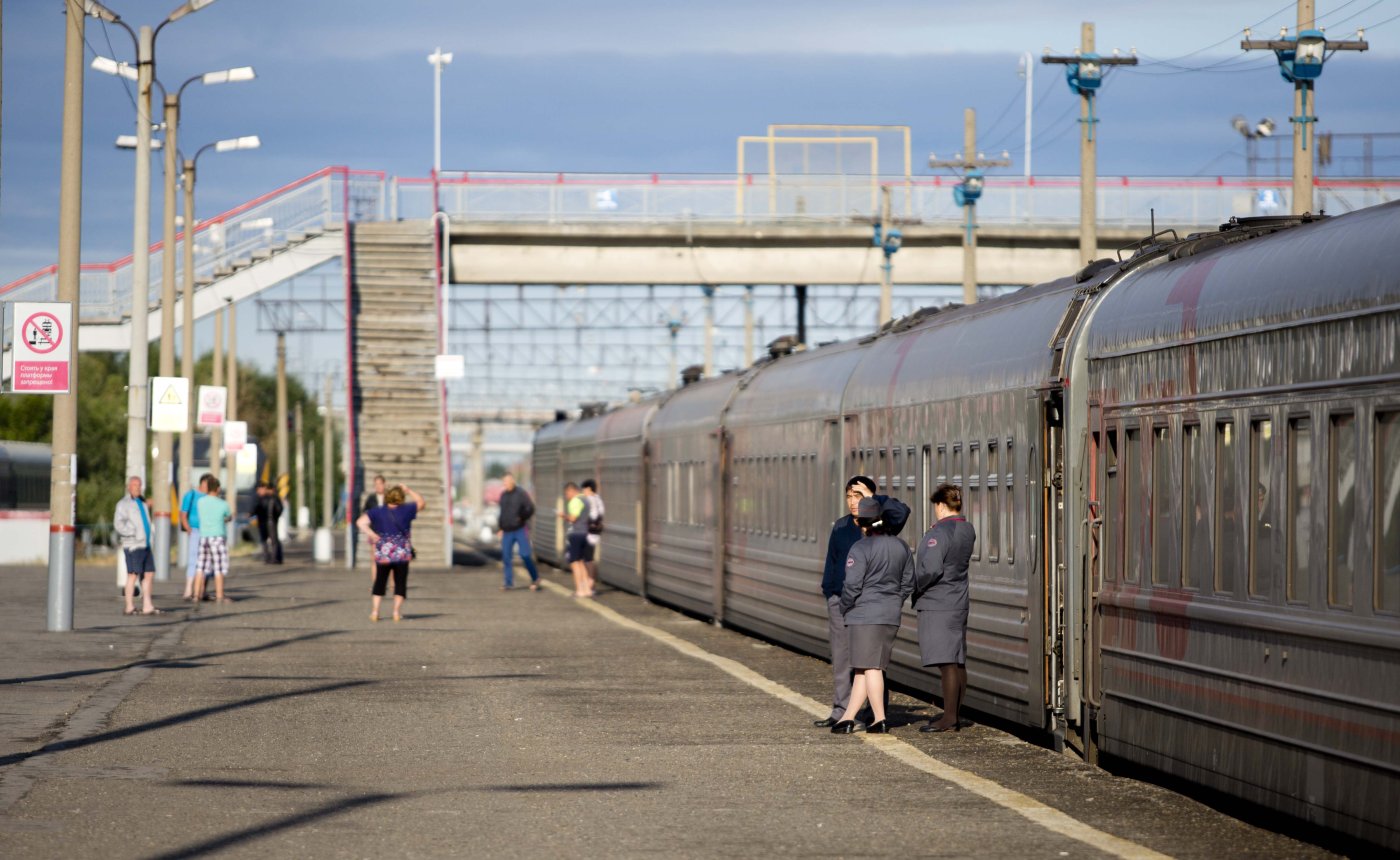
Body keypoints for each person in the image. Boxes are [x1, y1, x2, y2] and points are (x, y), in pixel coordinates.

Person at [815, 476, 906, 728]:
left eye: (858, 496)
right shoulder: (842, 526)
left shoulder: (883, 524)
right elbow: (832, 561)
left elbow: (902, 512)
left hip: (869, 606)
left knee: (871, 661)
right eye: (849, 496)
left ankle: (872, 713)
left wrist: (873, 498)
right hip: (841, 600)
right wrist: (830, 592)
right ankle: (841, 710)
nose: (853, 502)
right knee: (843, 658)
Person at [831, 495, 914, 735]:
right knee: (862, 667)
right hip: (888, 615)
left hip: (863, 615)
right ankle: (848, 718)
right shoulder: (901, 546)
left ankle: (879, 718)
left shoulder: (860, 548)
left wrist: (845, 606)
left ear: (860, 522)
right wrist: (894, 602)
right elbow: (909, 582)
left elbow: (852, 585)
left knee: (873, 667)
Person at [912, 483, 977, 733]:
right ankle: (953, 713)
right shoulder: (967, 529)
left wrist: (914, 586)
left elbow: (930, 568)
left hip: (939, 603)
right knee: (957, 660)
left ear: (940, 505)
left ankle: (949, 718)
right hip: (958, 600)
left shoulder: (939, 533)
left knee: (947, 662)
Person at [357, 484, 424, 622]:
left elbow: (360, 522)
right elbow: (421, 502)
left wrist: (373, 534)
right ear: (401, 498)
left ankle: (375, 612)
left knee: (379, 583)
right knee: (400, 584)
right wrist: (409, 489)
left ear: (387, 497)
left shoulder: (377, 511)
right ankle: (395, 612)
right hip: (402, 554)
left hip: (383, 553)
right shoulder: (407, 509)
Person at [114, 476, 161, 616]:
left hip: (145, 544)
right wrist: (132, 533)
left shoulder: (142, 502)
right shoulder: (123, 504)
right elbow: (118, 524)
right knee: (133, 575)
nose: (137, 487)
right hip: (134, 545)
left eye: (139, 485)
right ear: (128, 487)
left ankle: (147, 605)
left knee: (149, 573)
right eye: (134, 485)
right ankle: (129, 606)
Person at [497, 473, 541, 591]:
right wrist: (500, 527)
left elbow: (530, 508)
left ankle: (535, 578)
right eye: (503, 482)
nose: (505, 484)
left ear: (512, 481)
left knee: (525, 555)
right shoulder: (503, 495)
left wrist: (522, 517)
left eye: (506, 481)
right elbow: (502, 513)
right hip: (507, 530)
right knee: (506, 557)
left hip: (520, 529)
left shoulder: (521, 493)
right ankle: (508, 583)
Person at [194, 477, 234, 604]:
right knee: (218, 568)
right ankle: (220, 596)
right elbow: (228, 517)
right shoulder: (223, 504)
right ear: (218, 489)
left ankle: (196, 595)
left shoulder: (200, 502)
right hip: (217, 537)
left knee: (200, 567)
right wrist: (225, 519)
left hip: (204, 537)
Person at [180, 473, 213, 600]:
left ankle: (201, 590)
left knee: (207, 561)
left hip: (207, 531)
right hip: (194, 530)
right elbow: (183, 513)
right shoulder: (191, 495)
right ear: (202, 483)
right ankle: (188, 590)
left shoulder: (210, 496)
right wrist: (188, 528)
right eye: (207, 484)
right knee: (193, 559)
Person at [559, 482, 594, 597]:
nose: (566, 496)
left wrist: (563, 515)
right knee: (581, 562)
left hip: (576, 534)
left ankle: (579, 590)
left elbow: (573, 518)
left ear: (571, 491)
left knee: (574, 563)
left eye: (566, 494)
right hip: (585, 533)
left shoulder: (575, 501)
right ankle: (587, 590)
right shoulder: (586, 500)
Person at [361, 474, 387, 577]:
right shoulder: (371, 498)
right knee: (375, 558)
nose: (378, 486)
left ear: (384, 484)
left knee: (389, 559)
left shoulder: (390, 497)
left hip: (388, 531)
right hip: (374, 531)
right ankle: (376, 584)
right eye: (375, 484)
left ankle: (392, 584)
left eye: (380, 484)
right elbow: (364, 512)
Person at [581, 478, 605, 588]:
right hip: (595, 533)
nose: (583, 492)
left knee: (587, 559)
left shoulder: (590, 499)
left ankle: (590, 584)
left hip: (588, 533)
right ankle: (591, 583)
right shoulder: (598, 499)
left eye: (584, 489)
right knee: (589, 558)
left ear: (589, 489)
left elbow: (593, 515)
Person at [255, 482, 285, 565]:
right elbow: (279, 509)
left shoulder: (265, 498)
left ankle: (270, 558)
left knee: (267, 540)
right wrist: (275, 517)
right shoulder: (273, 498)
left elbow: (257, 509)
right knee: (273, 540)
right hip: (271, 521)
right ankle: (275, 558)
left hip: (266, 521)